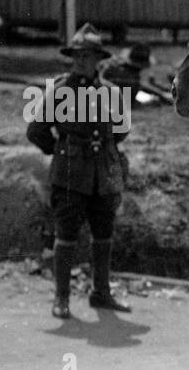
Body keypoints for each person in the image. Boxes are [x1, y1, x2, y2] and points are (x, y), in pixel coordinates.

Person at [26, 23, 133, 319]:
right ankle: (61, 298)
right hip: (70, 173)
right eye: (78, 56)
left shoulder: (111, 93)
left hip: (103, 174)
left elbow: (121, 131)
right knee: (66, 233)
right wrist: (60, 150)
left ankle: (101, 293)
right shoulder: (59, 91)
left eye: (89, 56)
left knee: (104, 233)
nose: (83, 61)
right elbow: (36, 130)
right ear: (72, 57)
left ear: (99, 59)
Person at [101, 43, 168, 105]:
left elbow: (142, 85)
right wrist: (160, 95)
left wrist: (160, 93)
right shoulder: (131, 79)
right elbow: (138, 88)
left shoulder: (115, 67)